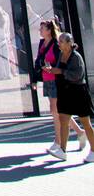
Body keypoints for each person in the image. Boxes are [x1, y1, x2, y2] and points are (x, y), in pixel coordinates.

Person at [35, 19, 85, 159]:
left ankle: (59, 141)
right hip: (47, 78)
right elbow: (39, 59)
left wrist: (54, 70)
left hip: (55, 79)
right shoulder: (42, 43)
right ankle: (79, 132)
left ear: (49, 30)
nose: (40, 31)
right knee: (57, 110)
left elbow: (60, 61)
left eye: (42, 28)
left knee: (56, 110)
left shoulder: (56, 44)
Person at [51, 33, 94, 163]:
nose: (59, 44)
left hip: (78, 92)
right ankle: (62, 150)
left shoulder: (76, 57)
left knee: (85, 122)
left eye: (62, 41)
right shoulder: (60, 55)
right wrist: (52, 70)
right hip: (65, 92)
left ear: (70, 43)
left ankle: (93, 149)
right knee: (63, 119)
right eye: (59, 41)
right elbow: (60, 70)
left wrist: (61, 72)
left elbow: (78, 75)